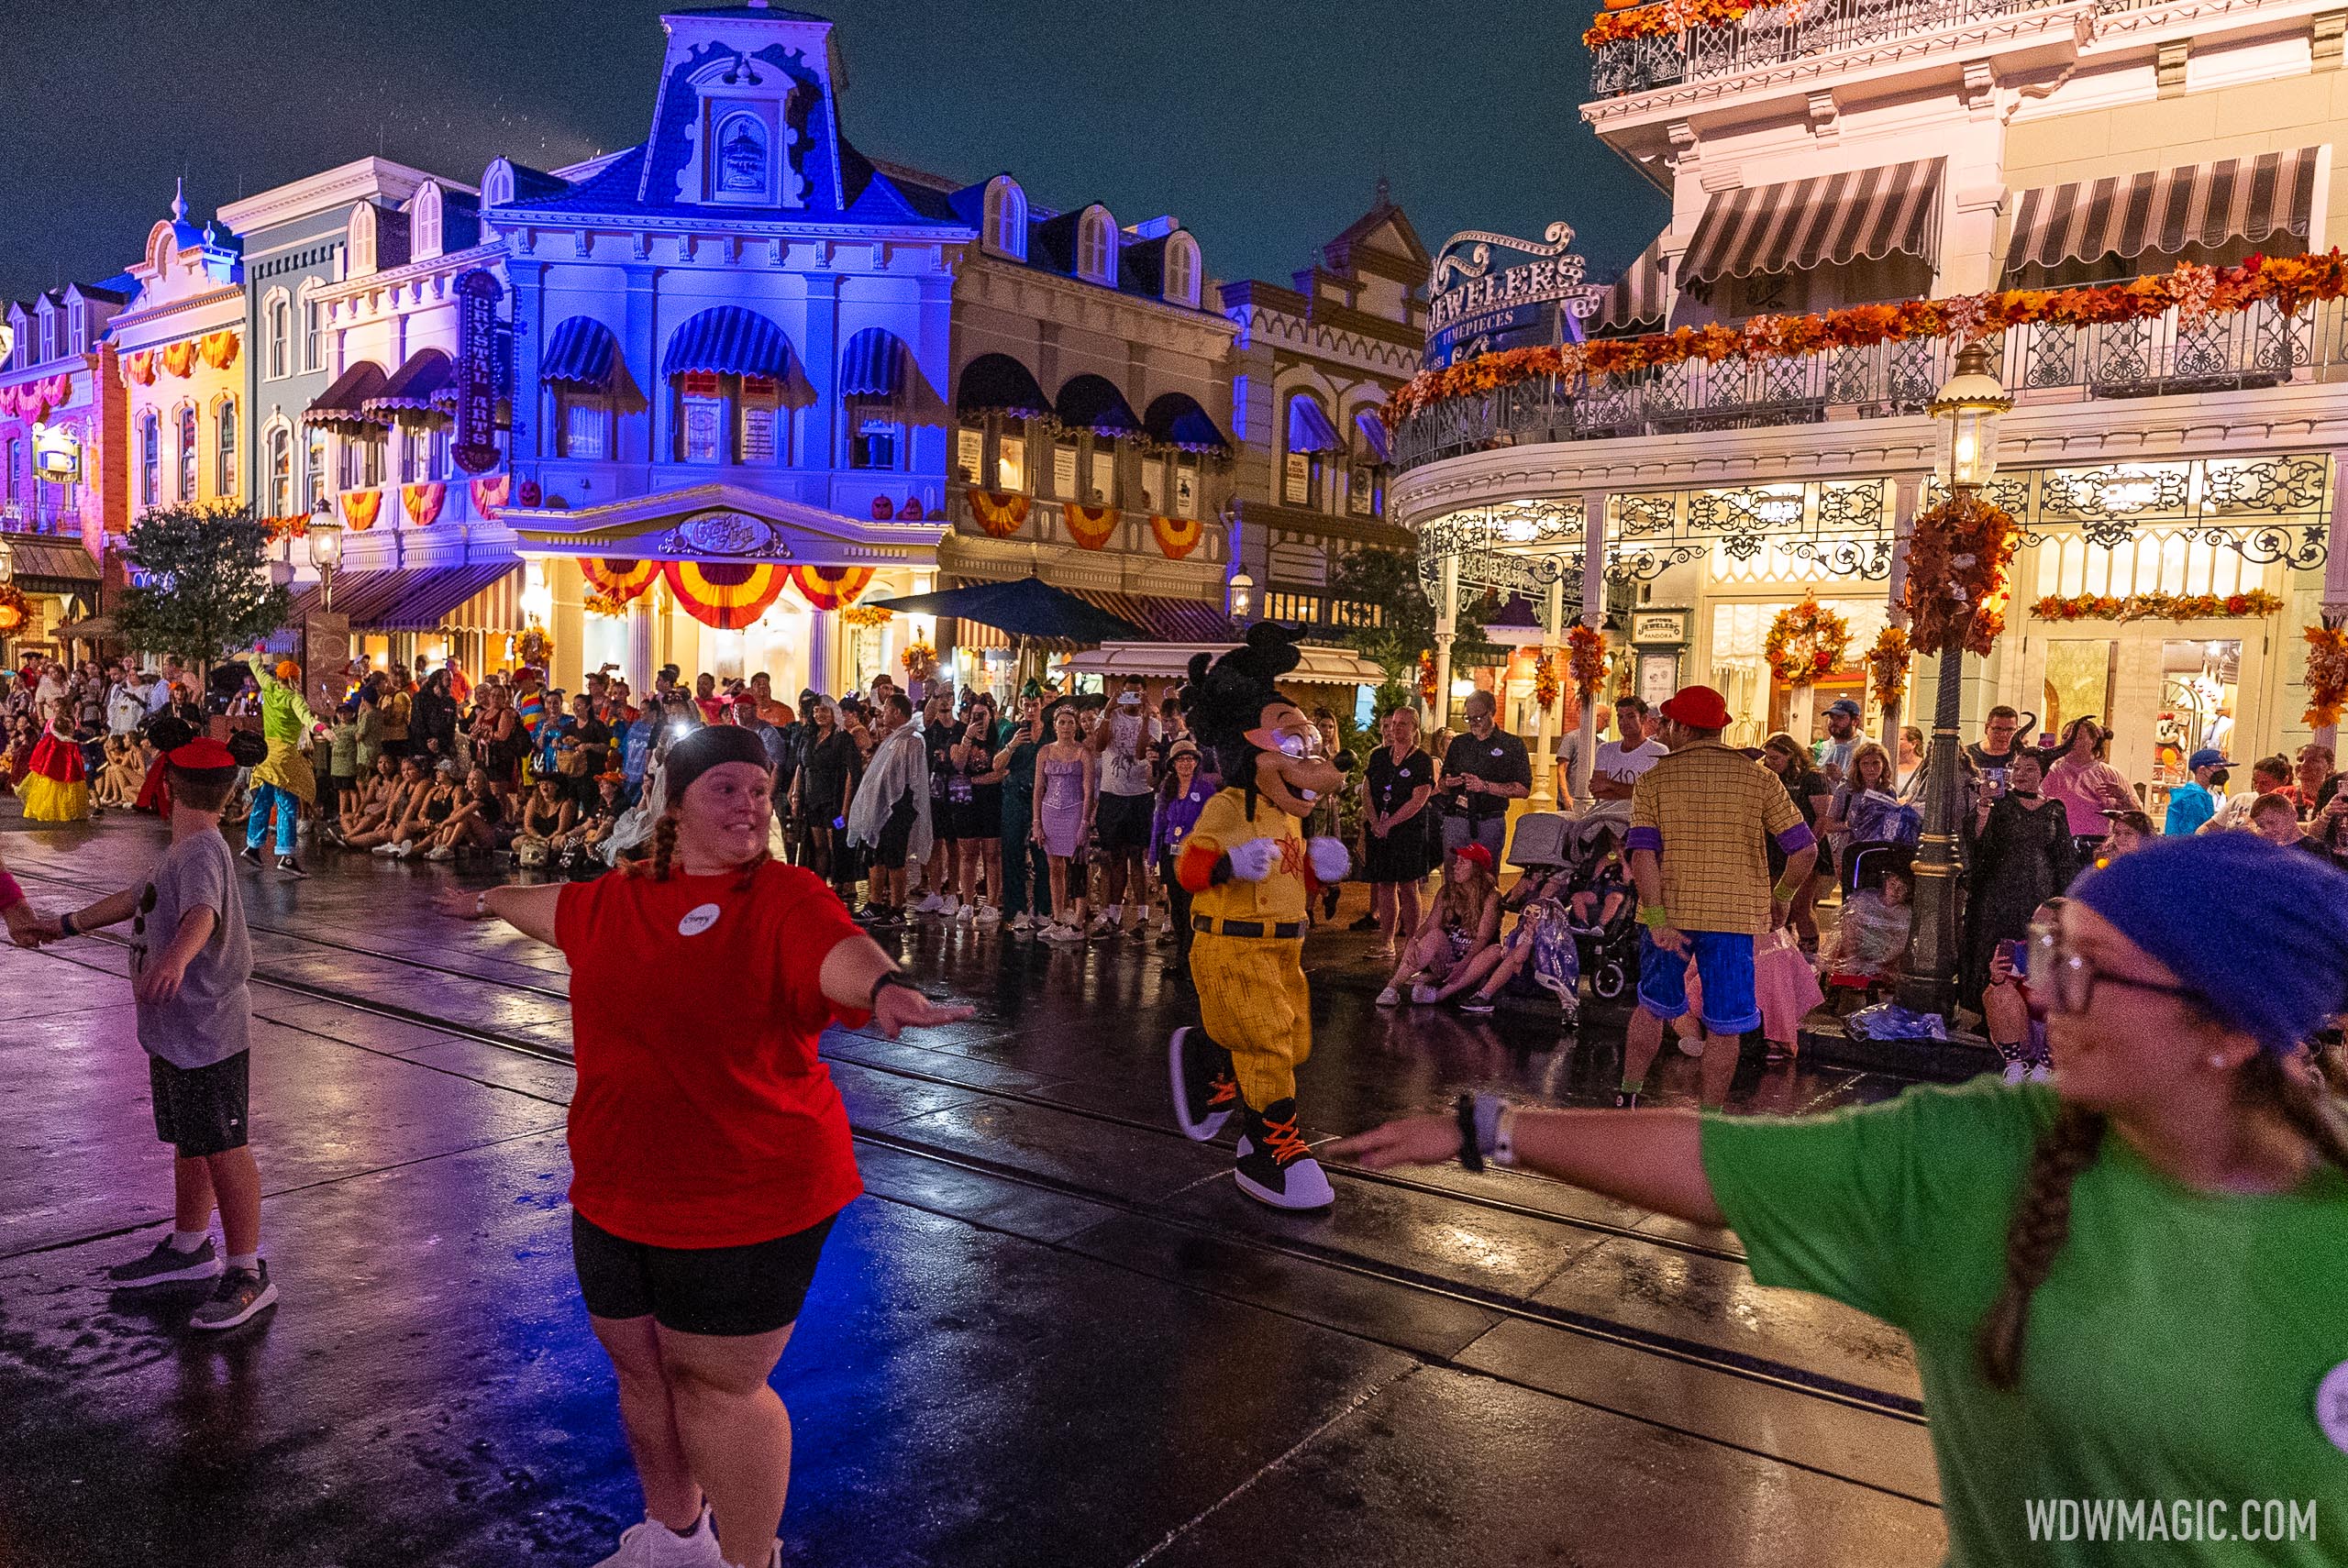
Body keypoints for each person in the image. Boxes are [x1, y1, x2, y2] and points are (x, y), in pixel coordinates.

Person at [1343, 834, 2348, 1568]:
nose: (2044, 998)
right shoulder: (1975, 1157)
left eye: (2086, 974)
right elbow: (1723, 1163)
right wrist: (1492, 1130)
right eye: (2051, 959)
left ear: (2228, 1027)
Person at [431, 724, 972, 1568]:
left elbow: (839, 951)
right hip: (614, 1188)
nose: (751, 802)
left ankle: (749, 1561)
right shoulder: (611, 898)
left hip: (750, 1193)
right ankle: (674, 1539)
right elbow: (541, 909)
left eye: (760, 789)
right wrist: (486, 898)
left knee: (717, 1389)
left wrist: (886, 986)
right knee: (644, 1376)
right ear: (673, 801)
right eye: (727, 787)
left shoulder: (784, 896)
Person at [26, 735, 278, 1330]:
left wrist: (175, 960)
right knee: (194, 1141)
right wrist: (65, 925)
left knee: (223, 1145)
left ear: (166, 785)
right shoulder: (185, 850)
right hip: (179, 1032)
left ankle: (247, 1273)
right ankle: (191, 1248)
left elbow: (202, 914)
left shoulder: (201, 854)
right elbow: (137, 898)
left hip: (207, 1030)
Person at [1166, 624, 1352, 1209]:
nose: (1309, 762)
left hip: (1284, 949)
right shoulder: (1228, 805)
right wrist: (1228, 865)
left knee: (1292, 1042)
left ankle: (1215, 1056)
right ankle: (1276, 1144)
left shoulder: (1290, 815)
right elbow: (1187, 871)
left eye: (1309, 748)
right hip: (1232, 947)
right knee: (1268, 1045)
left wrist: (1321, 873)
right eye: (1291, 748)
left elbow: (1289, 879)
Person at [1619, 687, 1817, 1110]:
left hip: (1669, 916)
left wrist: (1655, 919)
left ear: (1683, 727)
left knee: (1652, 1007)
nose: (1667, 731)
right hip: (1734, 919)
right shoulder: (1761, 779)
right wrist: (1781, 898)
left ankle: (1629, 1096)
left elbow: (1642, 855)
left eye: (1670, 724)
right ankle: (1710, 1116)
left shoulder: (1654, 780)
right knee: (1726, 1025)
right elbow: (1806, 850)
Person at [1961, 750, 2077, 1007]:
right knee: (1997, 950)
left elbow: (2065, 857)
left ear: (2042, 774)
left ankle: (2030, 1012)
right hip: (2000, 892)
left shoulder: (2054, 809)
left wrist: (2065, 902)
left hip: (2038, 893)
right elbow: (1977, 838)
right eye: (2017, 768)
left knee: (2036, 951)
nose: (2021, 774)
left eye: (2030, 769)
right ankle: (1990, 1010)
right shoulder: (2000, 803)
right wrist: (1983, 806)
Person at [1376, 843, 1501, 1008]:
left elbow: (1482, 939)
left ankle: (1441, 994)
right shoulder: (1447, 891)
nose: (1456, 866)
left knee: (1496, 951)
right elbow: (1430, 925)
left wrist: (1463, 965)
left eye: (1463, 862)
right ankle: (1392, 988)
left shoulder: (1492, 896)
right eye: (1457, 861)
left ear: (1477, 869)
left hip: (1473, 963)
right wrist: (1413, 941)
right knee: (1434, 936)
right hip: (1448, 958)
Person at [847, 692, 928, 927]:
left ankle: (896, 907)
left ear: (897, 712)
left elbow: (908, 778)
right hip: (880, 807)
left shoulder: (911, 740)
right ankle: (875, 903)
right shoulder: (893, 739)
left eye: (887, 709)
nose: (882, 713)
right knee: (876, 852)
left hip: (899, 808)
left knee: (895, 858)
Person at [1087, 679, 1159, 936]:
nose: (1132, 701)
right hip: (1113, 795)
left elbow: (1141, 753)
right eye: (1128, 695)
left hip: (1140, 795)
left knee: (1137, 858)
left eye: (1137, 696)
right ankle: (1113, 917)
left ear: (1144, 696)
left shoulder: (1153, 721)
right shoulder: (1111, 715)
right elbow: (1099, 746)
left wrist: (1147, 717)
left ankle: (1142, 917)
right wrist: (1107, 713)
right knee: (1115, 857)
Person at [1362, 706, 1435, 963]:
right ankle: (1386, 942)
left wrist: (1390, 822)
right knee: (1385, 884)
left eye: (1403, 724)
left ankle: (1412, 942)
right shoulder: (1380, 757)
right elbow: (1367, 790)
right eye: (1394, 723)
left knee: (1408, 885)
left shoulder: (1421, 760)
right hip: (1380, 829)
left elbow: (1419, 798)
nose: (1396, 728)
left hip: (1408, 831)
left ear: (1415, 728)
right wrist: (1374, 821)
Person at [238, 652, 318, 879]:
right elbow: (307, 718)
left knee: (263, 800)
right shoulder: (294, 698)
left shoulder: (269, 687)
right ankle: (286, 856)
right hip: (283, 757)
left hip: (266, 754)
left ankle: (253, 846)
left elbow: (254, 664)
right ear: (294, 678)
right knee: (287, 804)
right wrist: (321, 729)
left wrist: (259, 651)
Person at [1758, 733, 1833, 952]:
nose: (1770, 763)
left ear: (1790, 756)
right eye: (1767, 759)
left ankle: (1810, 955)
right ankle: (1782, 951)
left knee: (1801, 906)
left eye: (1775, 758)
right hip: (1774, 849)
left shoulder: (1811, 778)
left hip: (1802, 846)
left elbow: (1821, 818)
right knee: (1774, 906)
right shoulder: (1771, 778)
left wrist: (1808, 847)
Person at [1434, 690, 1529, 863]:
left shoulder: (1512, 745)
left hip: (1489, 821)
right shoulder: (1459, 743)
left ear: (1492, 712)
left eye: (1478, 718)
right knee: (1453, 875)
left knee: (1486, 877)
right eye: (1468, 718)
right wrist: (1448, 783)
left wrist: (1484, 786)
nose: (1472, 723)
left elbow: (1523, 789)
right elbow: (1442, 785)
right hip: (1456, 819)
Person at [1149, 738, 1219, 977]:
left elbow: (1213, 824)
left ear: (1197, 762)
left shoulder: (1206, 790)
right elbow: (1158, 824)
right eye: (1181, 759)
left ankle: (1190, 956)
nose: (1185, 763)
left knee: (1192, 906)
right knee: (1176, 905)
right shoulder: (1166, 790)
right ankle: (1182, 954)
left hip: (1194, 854)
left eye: (1190, 759)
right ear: (1173, 764)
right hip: (1170, 852)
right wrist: (1152, 857)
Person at [1030, 704, 1096, 944]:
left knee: (1077, 867)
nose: (1066, 727)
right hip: (1049, 812)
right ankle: (1058, 917)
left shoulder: (1083, 753)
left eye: (1070, 722)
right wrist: (1036, 821)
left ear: (1076, 726)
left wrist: (1085, 822)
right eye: (1062, 722)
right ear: (1054, 725)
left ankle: (1078, 923)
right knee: (1054, 867)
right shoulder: (1045, 752)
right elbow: (1038, 788)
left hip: (1074, 811)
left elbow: (1089, 791)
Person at [993, 694, 1053, 935]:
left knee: (1043, 855)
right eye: (1026, 705)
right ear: (1021, 707)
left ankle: (1043, 908)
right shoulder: (1012, 731)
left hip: (1043, 800)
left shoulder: (1050, 733)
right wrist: (1013, 745)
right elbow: (997, 765)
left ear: (1041, 706)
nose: (1030, 710)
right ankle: (1016, 909)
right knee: (1013, 854)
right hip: (1015, 797)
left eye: (1034, 705)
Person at [791, 697, 859, 904]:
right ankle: (820, 882)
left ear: (834, 713)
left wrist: (846, 807)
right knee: (818, 843)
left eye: (825, 711)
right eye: (817, 710)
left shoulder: (842, 739)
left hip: (834, 801)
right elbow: (801, 767)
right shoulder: (809, 737)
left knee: (837, 840)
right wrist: (795, 794)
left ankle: (843, 882)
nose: (820, 714)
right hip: (813, 800)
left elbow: (851, 773)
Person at [2043, 717, 2134, 862]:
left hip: (2100, 850)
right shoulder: (2050, 772)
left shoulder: (2110, 774)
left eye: (2077, 737)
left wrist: (2122, 797)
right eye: (2066, 737)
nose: (2069, 741)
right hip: (2059, 850)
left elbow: (2136, 817)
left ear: (2093, 742)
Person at [947, 694, 1003, 927]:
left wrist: (974, 781)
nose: (979, 719)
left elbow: (1002, 772)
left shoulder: (999, 739)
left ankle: (991, 903)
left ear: (992, 715)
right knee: (968, 853)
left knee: (991, 854)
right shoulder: (960, 736)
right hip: (966, 803)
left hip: (991, 801)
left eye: (983, 714)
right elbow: (958, 764)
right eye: (974, 715)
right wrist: (969, 736)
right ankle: (967, 902)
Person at [18, 698, 90, 823]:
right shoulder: (53, 733)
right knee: (52, 786)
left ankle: (62, 810)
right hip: (54, 764)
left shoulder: (68, 730)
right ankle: (55, 809)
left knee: (61, 785)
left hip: (61, 763)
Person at [2250, 790, 2341, 866]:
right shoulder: (2266, 852)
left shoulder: (2315, 850)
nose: (2267, 830)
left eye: (2272, 822)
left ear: (2293, 815)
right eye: (2261, 826)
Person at [2163, 747, 2229, 835]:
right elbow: (2192, 835)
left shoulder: (2196, 794)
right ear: (2202, 770)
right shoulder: (2194, 797)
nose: (2223, 771)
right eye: (2219, 767)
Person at [1966, 704, 2025, 801]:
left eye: (2010, 730)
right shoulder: (1968, 755)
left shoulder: (2022, 756)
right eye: (1997, 729)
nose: (2003, 734)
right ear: (1986, 728)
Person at [1813, 696, 1862, 784]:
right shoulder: (1818, 748)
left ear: (1855, 721)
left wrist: (1841, 778)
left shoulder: (1868, 749)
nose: (1833, 721)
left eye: (1840, 717)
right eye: (1831, 717)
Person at [1893, 724, 1925, 800]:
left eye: (1899, 739)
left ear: (1913, 744)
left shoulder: (1924, 769)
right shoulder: (1889, 765)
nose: (1894, 741)